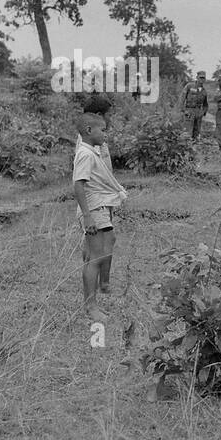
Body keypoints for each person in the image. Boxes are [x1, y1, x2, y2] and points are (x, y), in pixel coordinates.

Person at [72, 114, 128, 321]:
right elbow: (78, 184)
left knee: (99, 251)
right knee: (95, 258)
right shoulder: (85, 154)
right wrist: (87, 216)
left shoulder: (91, 152)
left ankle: (98, 294)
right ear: (89, 131)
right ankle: (90, 307)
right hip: (94, 209)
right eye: (102, 130)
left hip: (99, 207)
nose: (106, 134)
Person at [181, 71, 209, 141]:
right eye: (200, 78)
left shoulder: (204, 91)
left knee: (196, 132)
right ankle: (185, 147)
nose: (202, 79)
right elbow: (182, 98)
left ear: (205, 79)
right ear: (197, 77)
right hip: (189, 110)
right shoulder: (189, 86)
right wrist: (183, 109)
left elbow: (205, 104)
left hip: (198, 112)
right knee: (187, 131)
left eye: (203, 78)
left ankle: (194, 146)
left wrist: (203, 112)